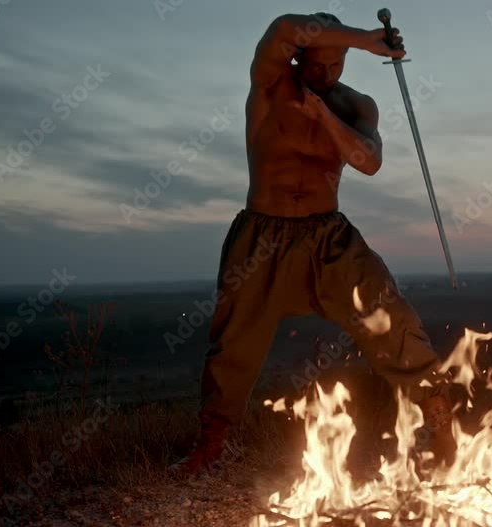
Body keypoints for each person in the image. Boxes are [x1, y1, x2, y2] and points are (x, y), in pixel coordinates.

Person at [169, 12, 457, 477]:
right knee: (233, 344)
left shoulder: (356, 105)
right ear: (301, 56)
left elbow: (369, 163)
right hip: (263, 233)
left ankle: (442, 426)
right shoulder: (268, 82)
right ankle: (211, 446)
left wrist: (323, 115)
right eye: (317, 65)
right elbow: (283, 27)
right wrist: (367, 39)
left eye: (336, 65)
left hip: (328, 235)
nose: (325, 74)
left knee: (391, 314)